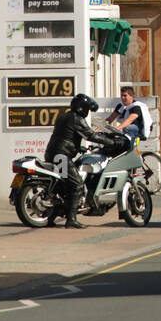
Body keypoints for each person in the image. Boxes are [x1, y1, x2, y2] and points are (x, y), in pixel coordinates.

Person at [44, 93, 99, 228]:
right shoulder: (76, 118)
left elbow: (65, 135)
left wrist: (77, 146)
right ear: (82, 108)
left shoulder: (64, 115)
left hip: (52, 153)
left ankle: (54, 213)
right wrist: (112, 142)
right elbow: (90, 135)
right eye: (87, 109)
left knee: (64, 184)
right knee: (77, 184)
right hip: (61, 156)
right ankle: (71, 219)